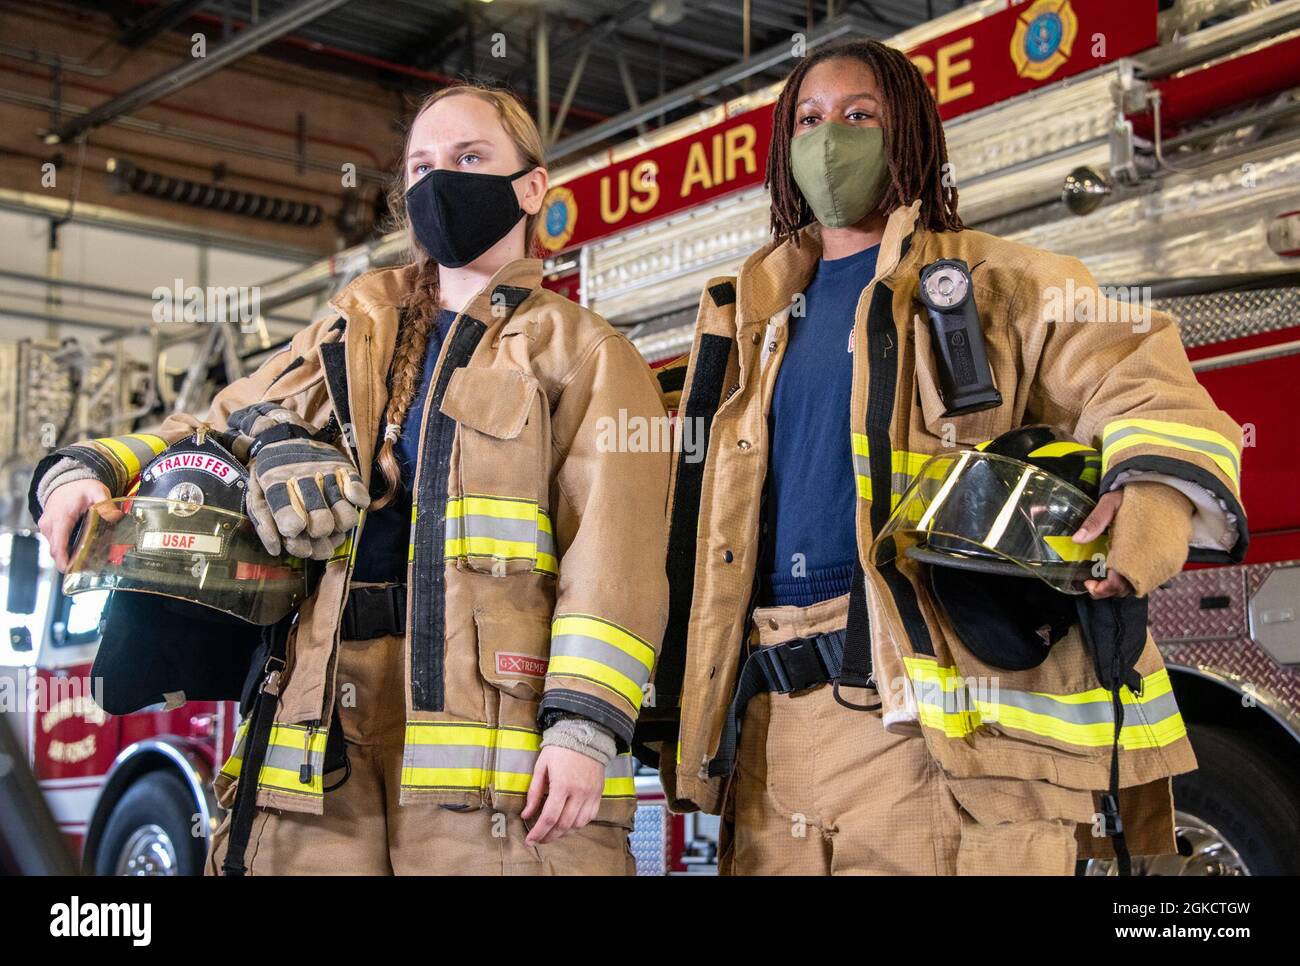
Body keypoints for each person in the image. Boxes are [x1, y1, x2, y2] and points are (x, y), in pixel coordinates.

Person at [32, 83, 670, 875]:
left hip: (493, 763)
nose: (442, 181)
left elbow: (616, 557)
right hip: (321, 739)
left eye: (471, 159)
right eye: (423, 165)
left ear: (532, 187)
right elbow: (214, 424)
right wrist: (88, 469)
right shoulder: (348, 333)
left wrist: (584, 730)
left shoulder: (582, 353)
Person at [656, 39, 1247, 875]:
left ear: (912, 138)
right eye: (810, 121)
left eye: (860, 116)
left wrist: (1149, 495)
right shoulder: (745, 322)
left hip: (926, 737)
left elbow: (1141, 374)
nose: (832, 138)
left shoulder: (999, 282)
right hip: (767, 738)